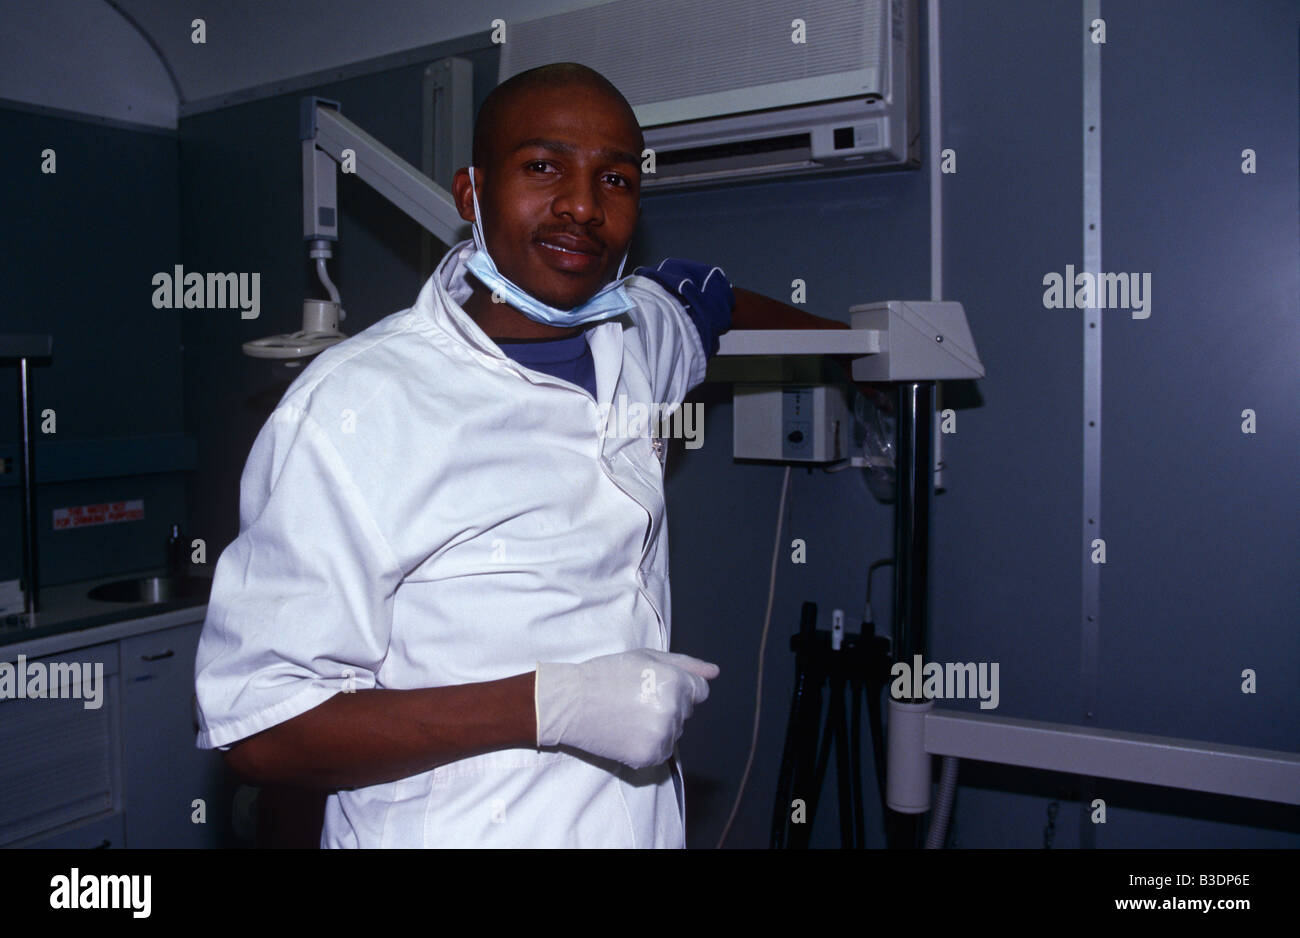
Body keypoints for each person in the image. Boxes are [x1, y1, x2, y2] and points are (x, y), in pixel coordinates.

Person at [194, 63, 849, 848]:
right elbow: (262, 729)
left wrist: (853, 356)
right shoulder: (357, 409)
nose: (582, 205)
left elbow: (707, 298)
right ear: (471, 195)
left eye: (616, 179)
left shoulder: (636, 339)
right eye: (544, 168)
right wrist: (553, 704)